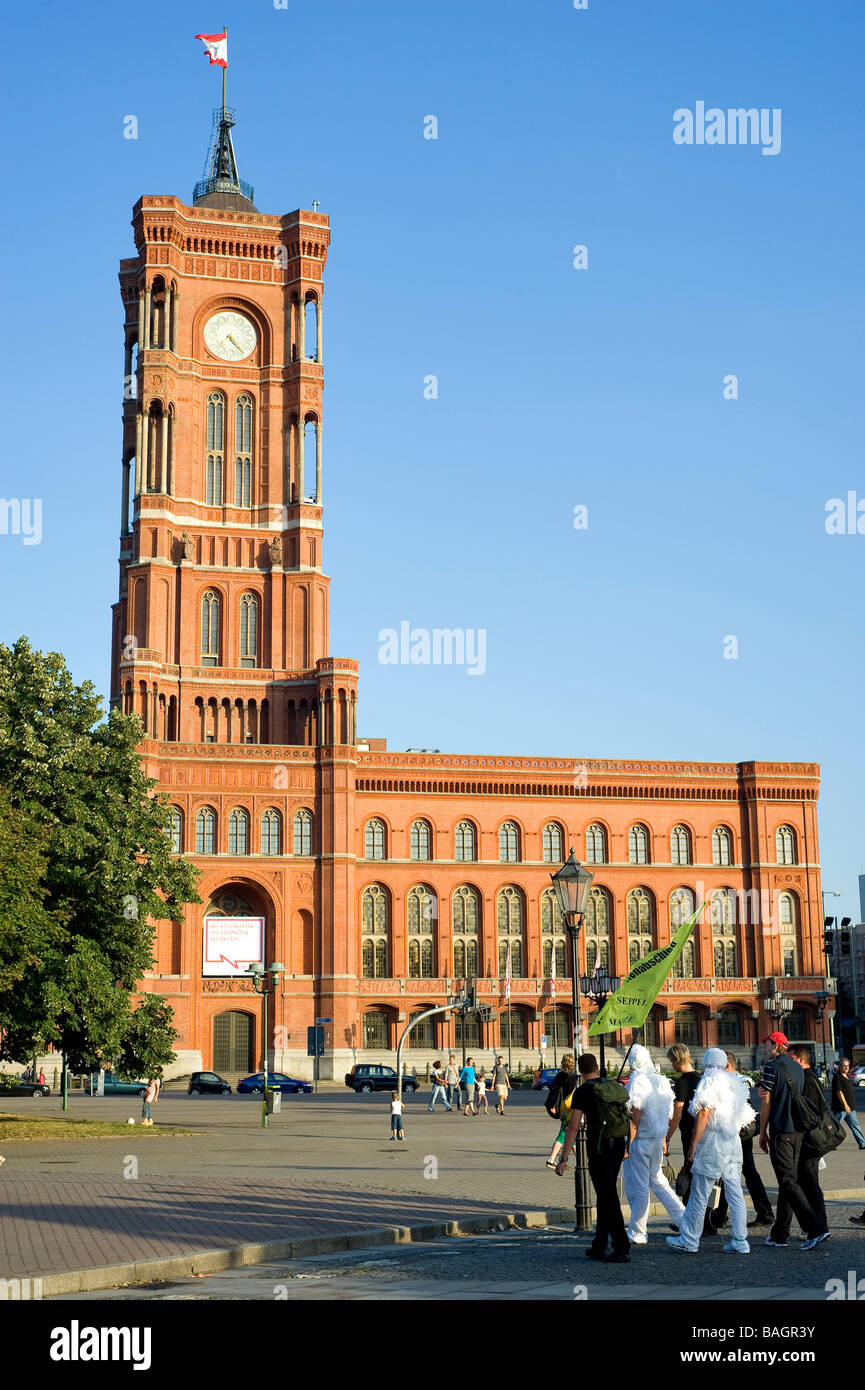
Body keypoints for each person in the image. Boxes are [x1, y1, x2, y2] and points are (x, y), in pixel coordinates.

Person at [666, 1047, 755, 1255]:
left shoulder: (709, 1080)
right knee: (734, 1191)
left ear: (706, 1064)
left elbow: (704, 1113)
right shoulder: (733, 1082)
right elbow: (744, 1114)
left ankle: (689, 1240)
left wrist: (693, 1144)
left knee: (700, 1191)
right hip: (732, 1141)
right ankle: (740, 1240)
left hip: (713, 1142)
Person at [555, 1052, 630, 1262]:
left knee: (608, 1195)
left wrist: (564, 1158)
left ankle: (621, 1246)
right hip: (618, 1143)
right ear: (597, 1067)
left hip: (599, 1146)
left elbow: (573, 1127)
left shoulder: (583, 1091)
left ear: (580, 1070)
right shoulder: (611, 1085)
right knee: (605, 1193)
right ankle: (599, 1244)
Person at [759, 1032, 829, 1251]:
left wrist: (762, 1132)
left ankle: (815, 1228)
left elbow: (767, 1103)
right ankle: (780, 1233)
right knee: (787, 1182)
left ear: (776, 1046)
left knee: (788, 1182)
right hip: (797, 1131)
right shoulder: (798, 1067)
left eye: (767, 1044)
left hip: (781, 1130)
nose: (764, 1048)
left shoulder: (771, 1067)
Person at [623, 1044, 686, 1244]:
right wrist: (663, 1139)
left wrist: (626, 1145)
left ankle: (638, 1231)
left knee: (639, 1187)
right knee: (659, 1182)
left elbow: (636, 1117)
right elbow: (667, 1115)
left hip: (640, 1141)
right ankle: (686, 1220)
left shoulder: (637, 1082)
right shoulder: (661, 1081)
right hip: (656, 1139)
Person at [711, 1053, 774, 1231]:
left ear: (726, 1066)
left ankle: (718, 1217)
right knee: (744, 1175)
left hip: (735, 1136)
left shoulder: (729, 1084)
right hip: (740, 1137)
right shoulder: (737, 1082)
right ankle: (763, 1213)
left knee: (729, 1177)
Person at [545, 1053, 578, 1168]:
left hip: (561, 1108)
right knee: (563, 1135)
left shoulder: (559, 1076)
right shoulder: (574, 1077)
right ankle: (551, 1159)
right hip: (570, 1109)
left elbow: (554, 1091)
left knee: (572, 1137)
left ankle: (581, 1161)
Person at [831, 1059, 865, 1150]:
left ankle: (862, 1143)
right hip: (840, 1108)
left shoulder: (846, 1075)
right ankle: (830, 1144)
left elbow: (847, 1071)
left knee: (855, 1126)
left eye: (847, 1066)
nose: (846, 1068)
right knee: (835, 1127)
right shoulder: (837, 1077)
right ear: (839, 1066)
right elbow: (839, 1092)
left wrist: (854, 1068)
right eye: (843, 1066)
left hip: (850, 1108)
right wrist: (845, 1105)